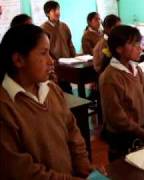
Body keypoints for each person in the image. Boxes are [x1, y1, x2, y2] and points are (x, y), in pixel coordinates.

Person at [0, 24, 92, 179]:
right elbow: (21, 171)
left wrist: (84, 167)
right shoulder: (5, 106)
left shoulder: (52, 90)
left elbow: (72, 131)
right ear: (18, 60)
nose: (51, 61)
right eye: (43, 53)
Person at [99, 25, 144, 161]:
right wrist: (140, 131)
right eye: (133, 44)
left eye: (138, 42)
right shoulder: (109, 77)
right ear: (119, 49)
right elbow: (116, 116)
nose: (139, 47)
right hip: (122, 138)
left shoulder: (136, 69)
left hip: (140, 132)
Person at [41, 0, 75, 93]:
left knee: (68, 89)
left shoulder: (64, 26)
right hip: (54, 65)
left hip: (67, 64)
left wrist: (74, 57)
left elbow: (70, 43)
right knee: (57, 90)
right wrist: (53, 62)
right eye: (54, 10)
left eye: (58, 9)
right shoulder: (43, 29)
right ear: (47, 13)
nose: (57, 12)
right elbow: (45, 50)